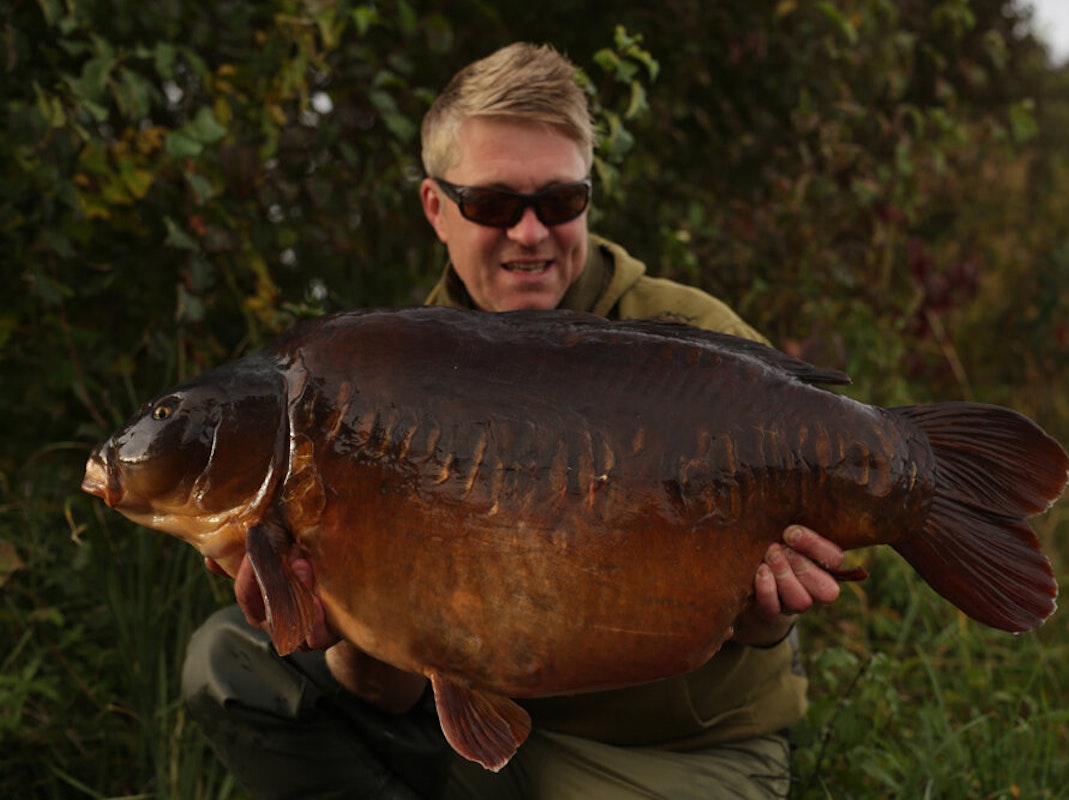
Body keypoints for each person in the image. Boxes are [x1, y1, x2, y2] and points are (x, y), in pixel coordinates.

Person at [182, 42, 848, 799]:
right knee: (229, 660)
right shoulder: (389, 373)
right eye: (494, 205)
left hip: (664, 752)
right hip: (468, 732)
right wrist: (344, 618)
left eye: (560, 203)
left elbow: (770, 620)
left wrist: (767, 615)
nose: (530, 233)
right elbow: (388, 689)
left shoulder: (697, 349)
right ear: (436, 207)